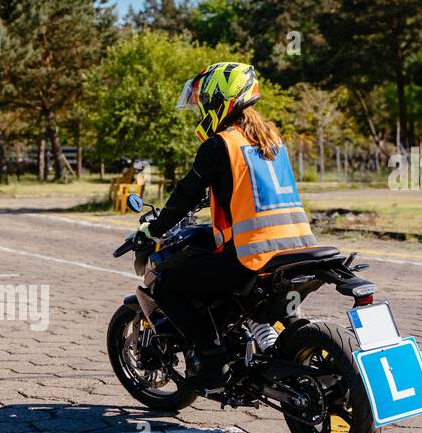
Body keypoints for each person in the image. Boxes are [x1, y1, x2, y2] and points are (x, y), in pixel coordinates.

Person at [136, 62, 319, 386]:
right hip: (300, 246)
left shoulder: (221, 144)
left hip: (254, 254)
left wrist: (154, 229)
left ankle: (212, 360)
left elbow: (185, 194)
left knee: (168, 285)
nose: (203, 109)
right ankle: (256, 336)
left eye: (206, 102)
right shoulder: (271, 138)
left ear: (221, 102)